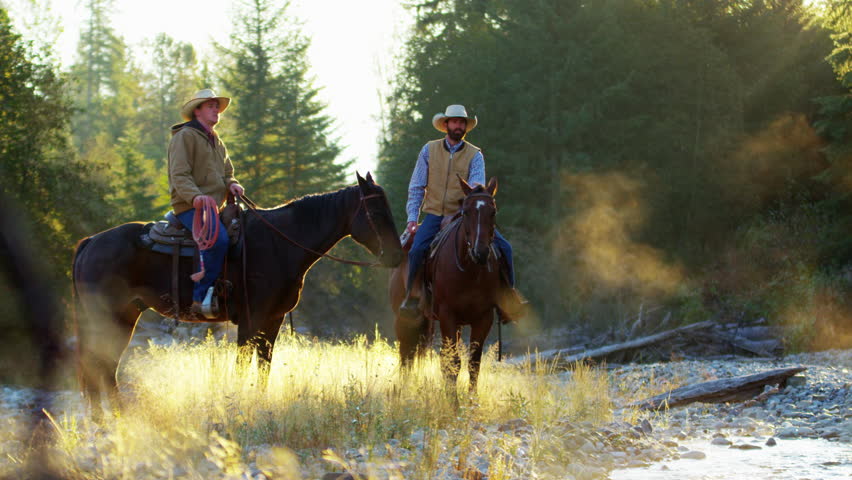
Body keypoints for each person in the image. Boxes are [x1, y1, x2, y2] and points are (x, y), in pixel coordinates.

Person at [399, 104, 525, 322]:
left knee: (505, 247)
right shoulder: (429, 150)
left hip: (465, 215)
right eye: (454, 122)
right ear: (446, 124)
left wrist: (463, 210)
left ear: (465, 127)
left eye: (462, 122)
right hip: (434, 214)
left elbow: (476, 186)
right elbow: (417, 186)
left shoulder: (475, 154)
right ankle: (412, 298)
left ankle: (508, 300)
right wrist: (412, 218)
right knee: (417, 249)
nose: (458, 126)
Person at [167, 89, 245, 318]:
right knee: (218, 240)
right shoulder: (185, 136)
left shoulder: (217, 140)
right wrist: (195, 197)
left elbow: (228, 173)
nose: (216, 110)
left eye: (217, 106)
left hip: (214, 208)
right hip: (190, 206)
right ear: (197, 111)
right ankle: (200, 299)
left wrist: (233, 184)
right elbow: (179, 175)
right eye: (210, 106)